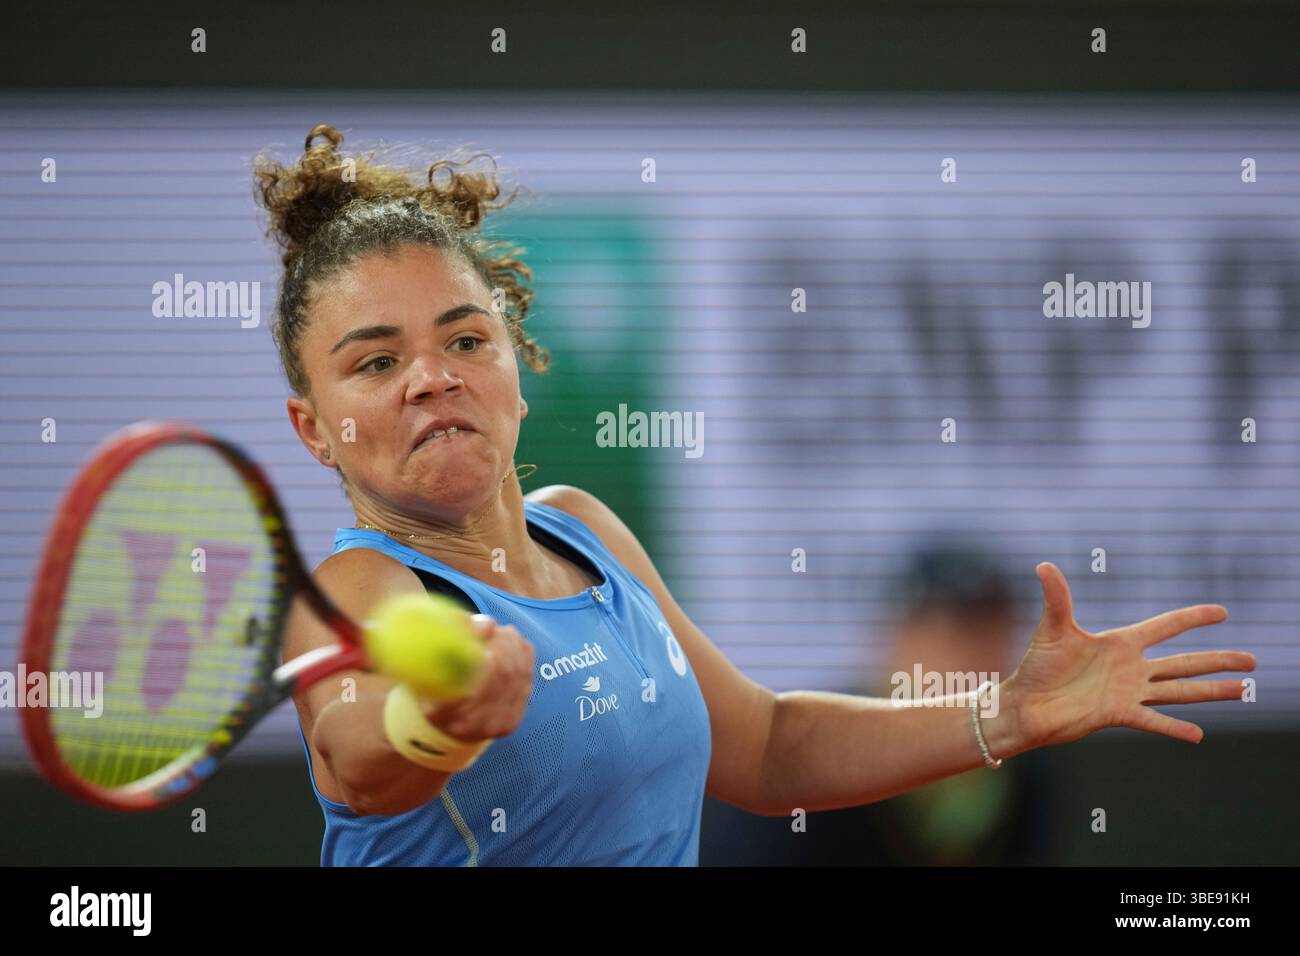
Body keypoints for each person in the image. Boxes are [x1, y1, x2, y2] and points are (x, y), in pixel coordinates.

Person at [253, 124, 1256, 866]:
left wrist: (1010, 710)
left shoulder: (585, 529)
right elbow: (359, 762)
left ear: (517, 366)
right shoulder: (356, 588)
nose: (432, 376)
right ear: (312, 425)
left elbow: (770, 747)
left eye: (465, 339)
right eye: (376, 362)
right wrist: (445, 714)